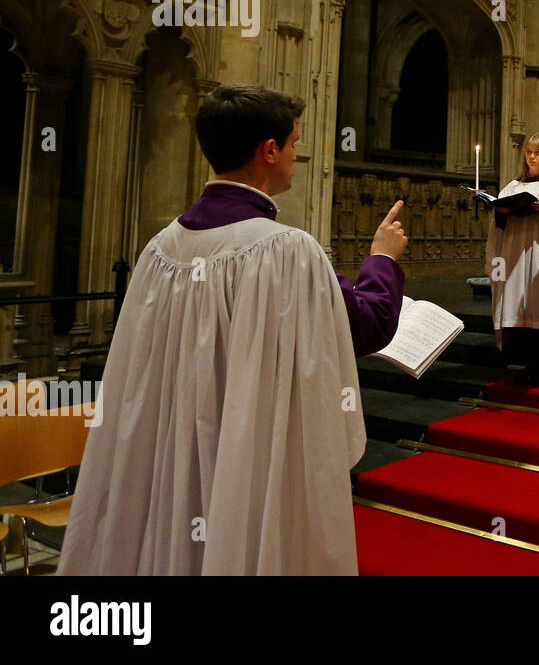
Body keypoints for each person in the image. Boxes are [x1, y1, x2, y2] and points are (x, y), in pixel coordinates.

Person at [58, 84, 407, 575]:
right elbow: (366, 325)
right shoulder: (286, 250)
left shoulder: (159, 249)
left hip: (172, 452)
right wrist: (382, 259)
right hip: (244, 451)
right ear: (269, 150)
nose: (294, 155)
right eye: (293, 144)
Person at [486, 133, 539, 381]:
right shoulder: (512, 187)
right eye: (528, 152)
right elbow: (497, 226)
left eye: (538, 152)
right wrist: (502, 211)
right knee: (516, 299)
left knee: (538, 300)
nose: (532, 157)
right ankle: (519, 358)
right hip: (514, 252)